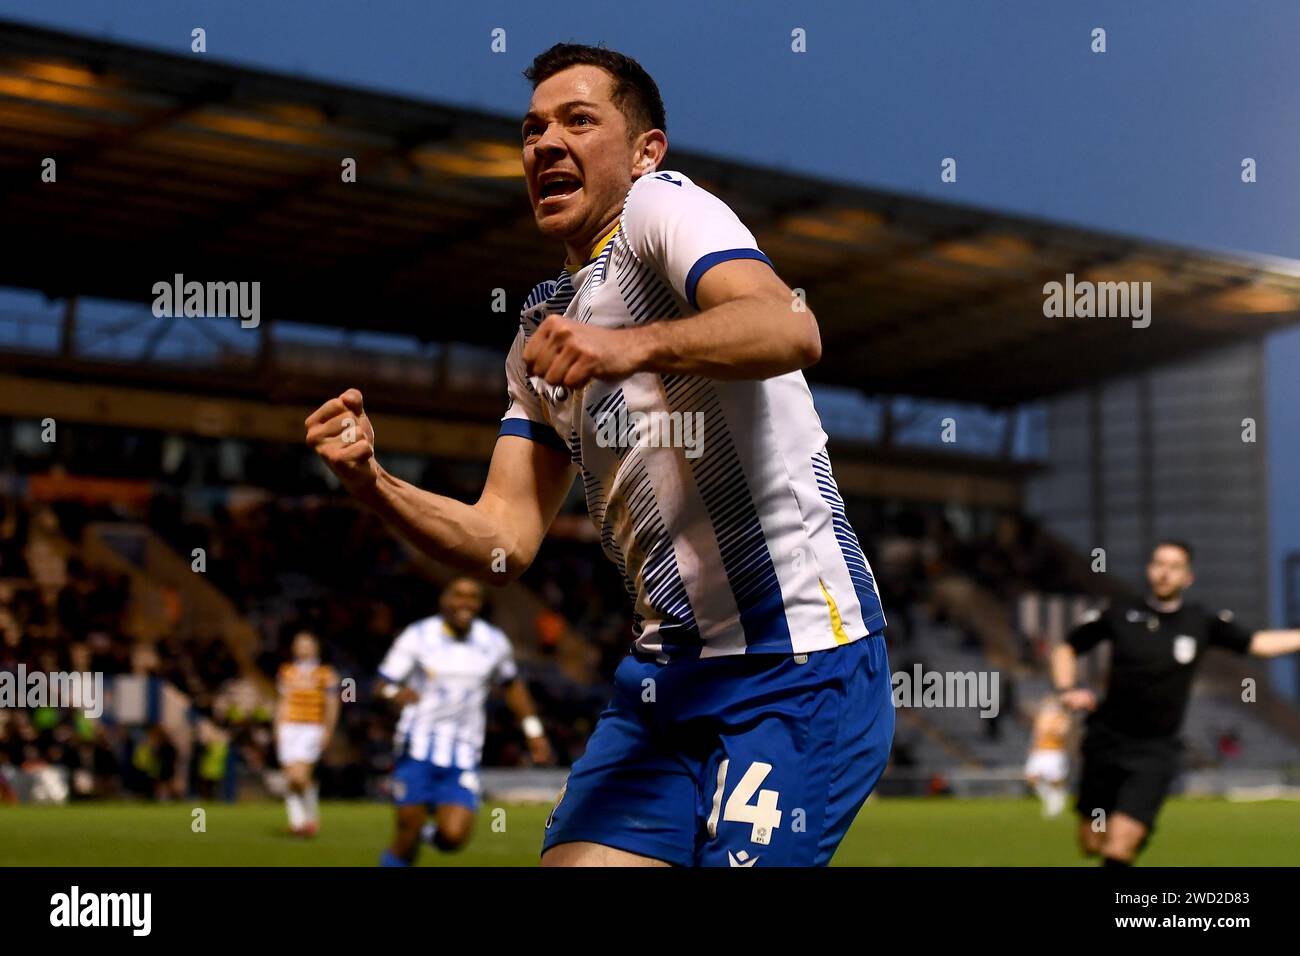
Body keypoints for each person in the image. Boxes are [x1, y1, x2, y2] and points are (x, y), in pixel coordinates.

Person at [305, 42, 893, 867]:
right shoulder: (540, 331)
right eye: (532, 128)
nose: (546, 142)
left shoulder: (664, 209)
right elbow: (503, 540)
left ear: (647, 149)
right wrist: (373, 484)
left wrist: (630, 349)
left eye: (579, 121)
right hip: (662, 679)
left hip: (795, 665)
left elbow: (790, 328)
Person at [1052, 540, 1300, 865]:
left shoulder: (1201, 622)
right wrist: (1068, 688)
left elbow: (1259, 644)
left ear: (1188, 577)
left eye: (1174, 567)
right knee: (1092, 841)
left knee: (1120, 845)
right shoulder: (1120, 612)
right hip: (1105, 743)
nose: (1165, 573)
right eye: (1159, 564)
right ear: (1150, 569)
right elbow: (1066, 648)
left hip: (1155, 751)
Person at [376, 577, 551, 866]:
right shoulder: (418, 635)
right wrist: (396, 692)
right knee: (406, 835)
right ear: (443, 599)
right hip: (416, 748)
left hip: (463, 753)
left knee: (454, 836)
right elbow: (382, 684)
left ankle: (427, 834)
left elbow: (512, 684)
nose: (465, 603)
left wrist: (533, 731)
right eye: (458, 595)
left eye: (473, 597)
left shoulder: (493, 641)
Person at [273, 632, 339, 836]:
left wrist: (328, 729)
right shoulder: (286, 671)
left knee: (300, 776)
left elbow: (333, 703)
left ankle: (310, 818)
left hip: (311, 727)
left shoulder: (326, 673)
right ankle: (298, 822)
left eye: (307, 644)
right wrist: (277, 727)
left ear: (315, 647)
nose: (303, 647)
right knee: (290, 778)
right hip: (288, 727)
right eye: (299, 644)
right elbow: (282, 701)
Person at [1024, 695, 1070, 818]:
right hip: (1039, 751)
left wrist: (1049, 729)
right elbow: (1037, 735)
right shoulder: (1041, 718)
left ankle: (1057, 801)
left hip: (1054, 752)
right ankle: (1051, 798)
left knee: (1055, 779)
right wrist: (1032, 748)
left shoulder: (1061, 718)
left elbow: (1062, 733)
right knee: (1031, 777)